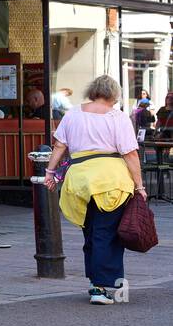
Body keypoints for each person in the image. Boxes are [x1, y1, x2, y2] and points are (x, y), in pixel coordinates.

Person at [43, 75, 144, 305]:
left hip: (79, 181)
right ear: (113, 94)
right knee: (106, 233)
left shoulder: (73, 114)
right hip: (111, 181)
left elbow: (59, 146)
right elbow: (130, 153)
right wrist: (140, 186)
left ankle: (96, 283)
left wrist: (50, 173)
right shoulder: (117, 117)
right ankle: (100, 287)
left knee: (91, 233)